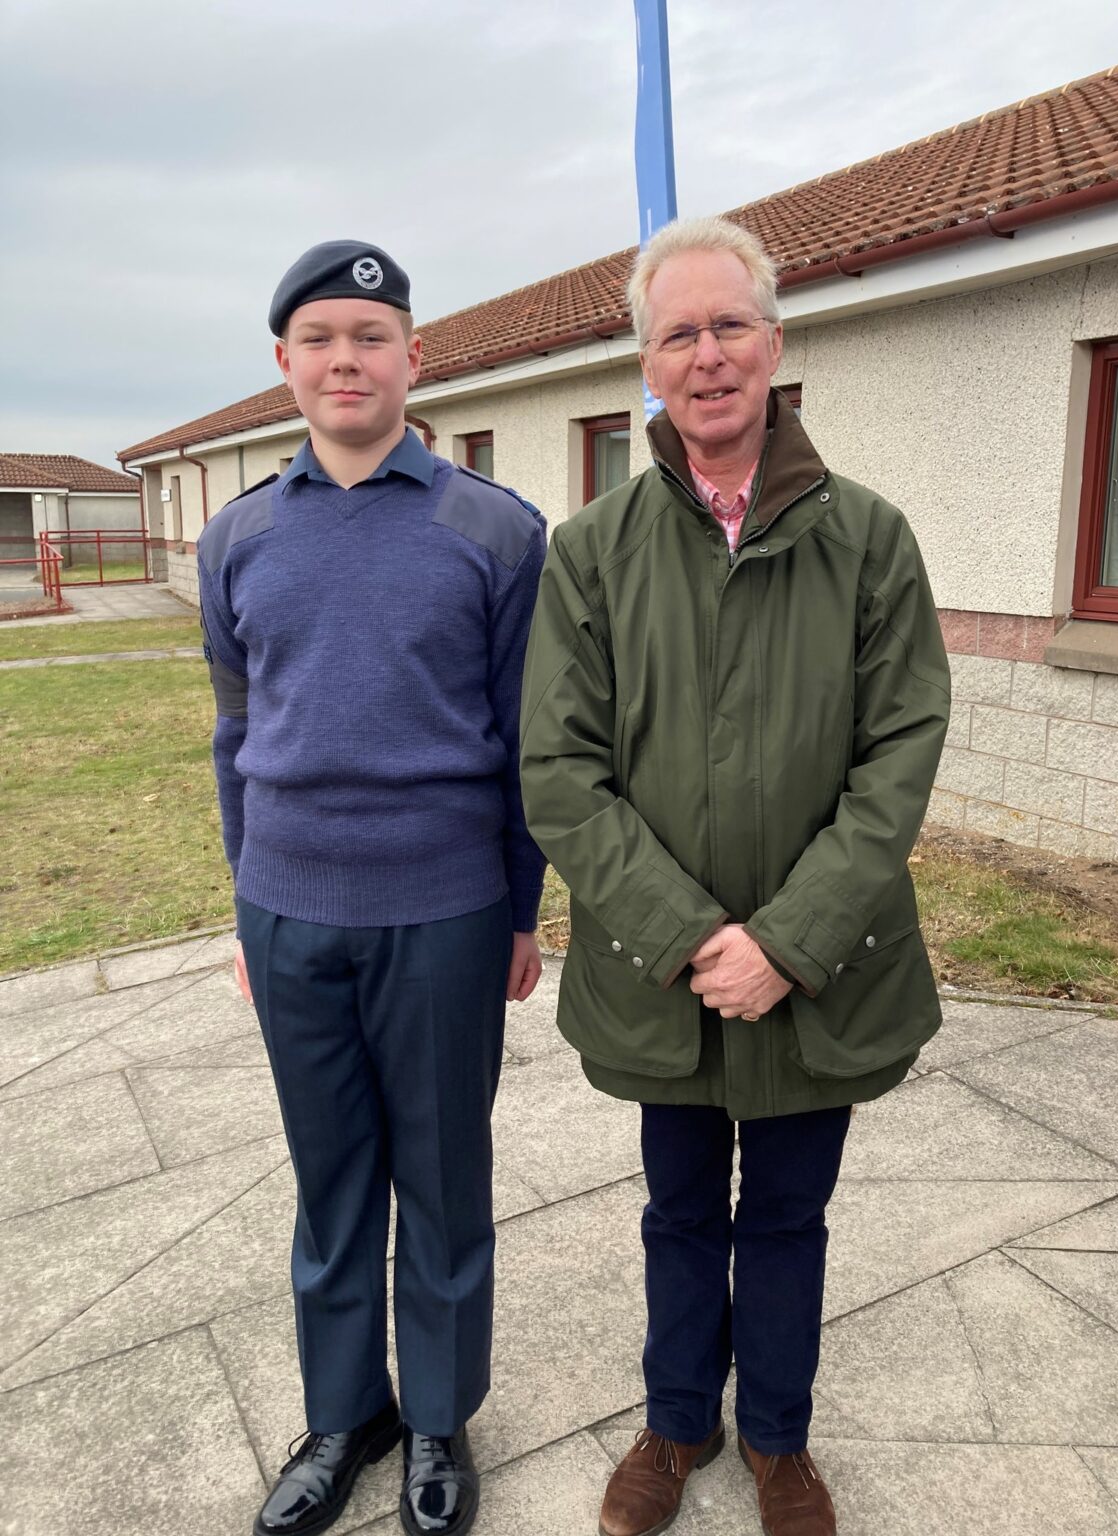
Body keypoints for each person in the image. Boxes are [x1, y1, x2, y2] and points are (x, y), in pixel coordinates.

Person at [519, 216, 950, 1536]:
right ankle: (674, 1421)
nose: (707, 355)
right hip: (663, 978)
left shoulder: (870, 542)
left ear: (775, 340)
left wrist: (789, 939)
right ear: (646, 363)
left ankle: (777, 1439)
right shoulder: (591, 553)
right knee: (678, 1209)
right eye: (677, 334)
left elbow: (900, 751)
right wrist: (692, 936)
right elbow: (559, 766)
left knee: (791, 1220)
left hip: (820, 977)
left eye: (729, 326)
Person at [198, 240, 547, 1536]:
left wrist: (521, 909)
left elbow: (525, 742)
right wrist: (248, 903)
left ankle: (443, 1415)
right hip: (290, 913)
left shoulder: (498, 531)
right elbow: (236, 735)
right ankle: (350, 1414)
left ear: (417, 355)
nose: (347, 359)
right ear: (285, 364)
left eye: (373, 335)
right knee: (331, 1176)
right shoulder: (237, 537)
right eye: (321, 338)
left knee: (445, 1178)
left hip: (446, 912)